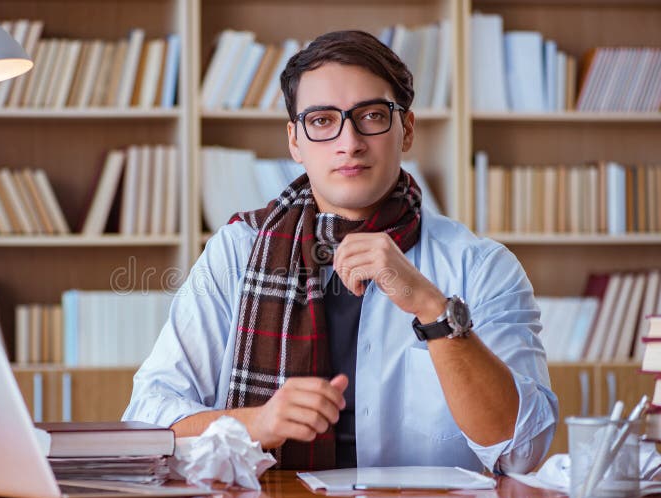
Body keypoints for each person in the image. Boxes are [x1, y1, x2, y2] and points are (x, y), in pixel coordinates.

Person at [124, 30, 558, 472]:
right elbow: (145, 421)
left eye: (371, 115)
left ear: (406, 130)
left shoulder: (481, 266)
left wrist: (432, 308)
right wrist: (256, 424)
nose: (349, 142)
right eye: (322, 120)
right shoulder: (237, 251)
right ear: (295, 140)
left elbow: (522, 452)